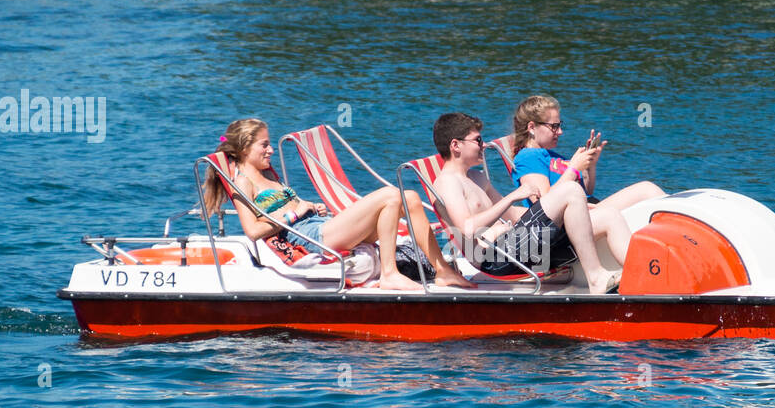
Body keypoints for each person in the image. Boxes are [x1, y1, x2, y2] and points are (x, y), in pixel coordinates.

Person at [205, 119, 472, 291]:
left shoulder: (268, 174)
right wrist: (294, 214)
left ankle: (443, 271)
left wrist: (307, 205)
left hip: (319, 226)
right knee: (391, 194)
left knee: (410, 198)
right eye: (264, 145)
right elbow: (252, 231)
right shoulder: (242, 182)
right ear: (244, 149)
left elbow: (292, 205)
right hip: (310, 239)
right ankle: (389, 273)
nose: (271, 150)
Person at [430, 112, 623, 294]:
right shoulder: (448, 183)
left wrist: (569, 210)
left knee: (608, 215)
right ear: (455, 145)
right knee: (570, 190)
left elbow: (513, 214)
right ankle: (596, 278)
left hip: (514, 245)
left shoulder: (476, 177)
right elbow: (468, 229)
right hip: (493, 260)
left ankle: (641, 277)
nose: (483, 144)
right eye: (478, 140)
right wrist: (512, 196)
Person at [510, 94, 664, 221]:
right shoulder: (527, 157)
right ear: (531, 127)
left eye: (560, 125)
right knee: (646, 190)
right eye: (554, 126)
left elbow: (587, 191)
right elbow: (544, 206)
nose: (560, 132)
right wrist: (573, 168)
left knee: (648, 193)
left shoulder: (552, 156)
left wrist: (590, 166)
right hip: (570, 225)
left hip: (588, 211)